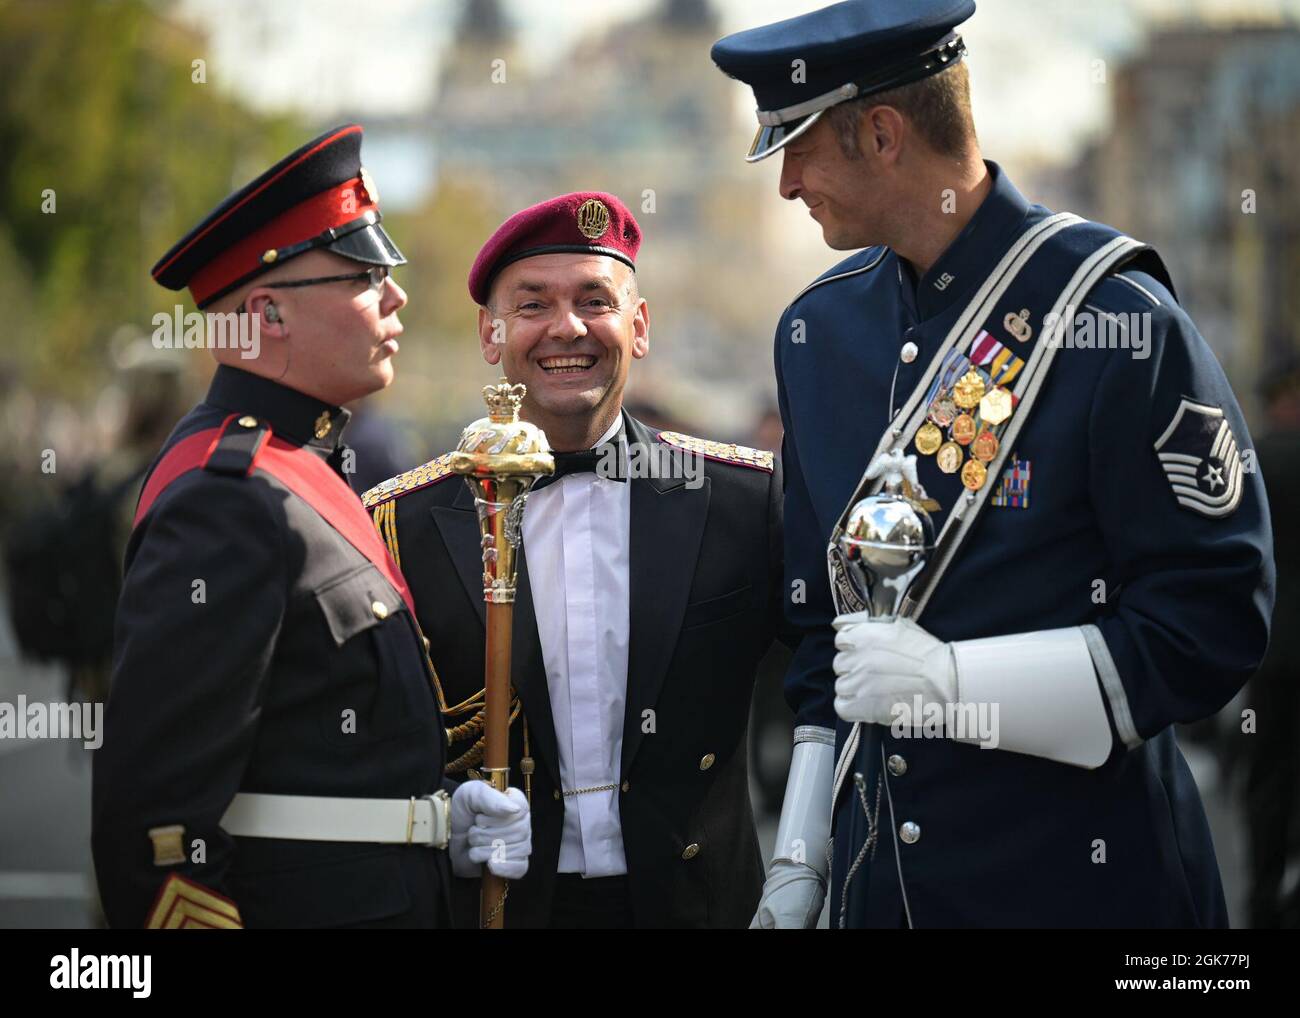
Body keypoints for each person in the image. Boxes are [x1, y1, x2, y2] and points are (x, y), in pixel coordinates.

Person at [711, 0, 1274, 928]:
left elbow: (1210, 617)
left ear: (883, 134)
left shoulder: (1114, 317)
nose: (788, 185)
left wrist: (957, 689)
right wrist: (801, 860)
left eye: (798, 148)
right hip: (879, 885)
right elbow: (824, 631)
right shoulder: (817, 332)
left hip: (1084, 884)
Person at [92, 124, 530, 929]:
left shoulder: (299, 465)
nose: (396, 295)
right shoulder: (224, 496)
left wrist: (433, 823)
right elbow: (155, 827)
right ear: (268, 314)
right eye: (366, 276)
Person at [363, 192, 783, 928]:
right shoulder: (401, 523)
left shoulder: (742, 501)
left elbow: (821, 691)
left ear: (640, 327)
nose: (568, 327)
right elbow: (362, 744)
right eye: (533, 305)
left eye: (596, 300)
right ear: (490, 334)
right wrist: (435, 820)